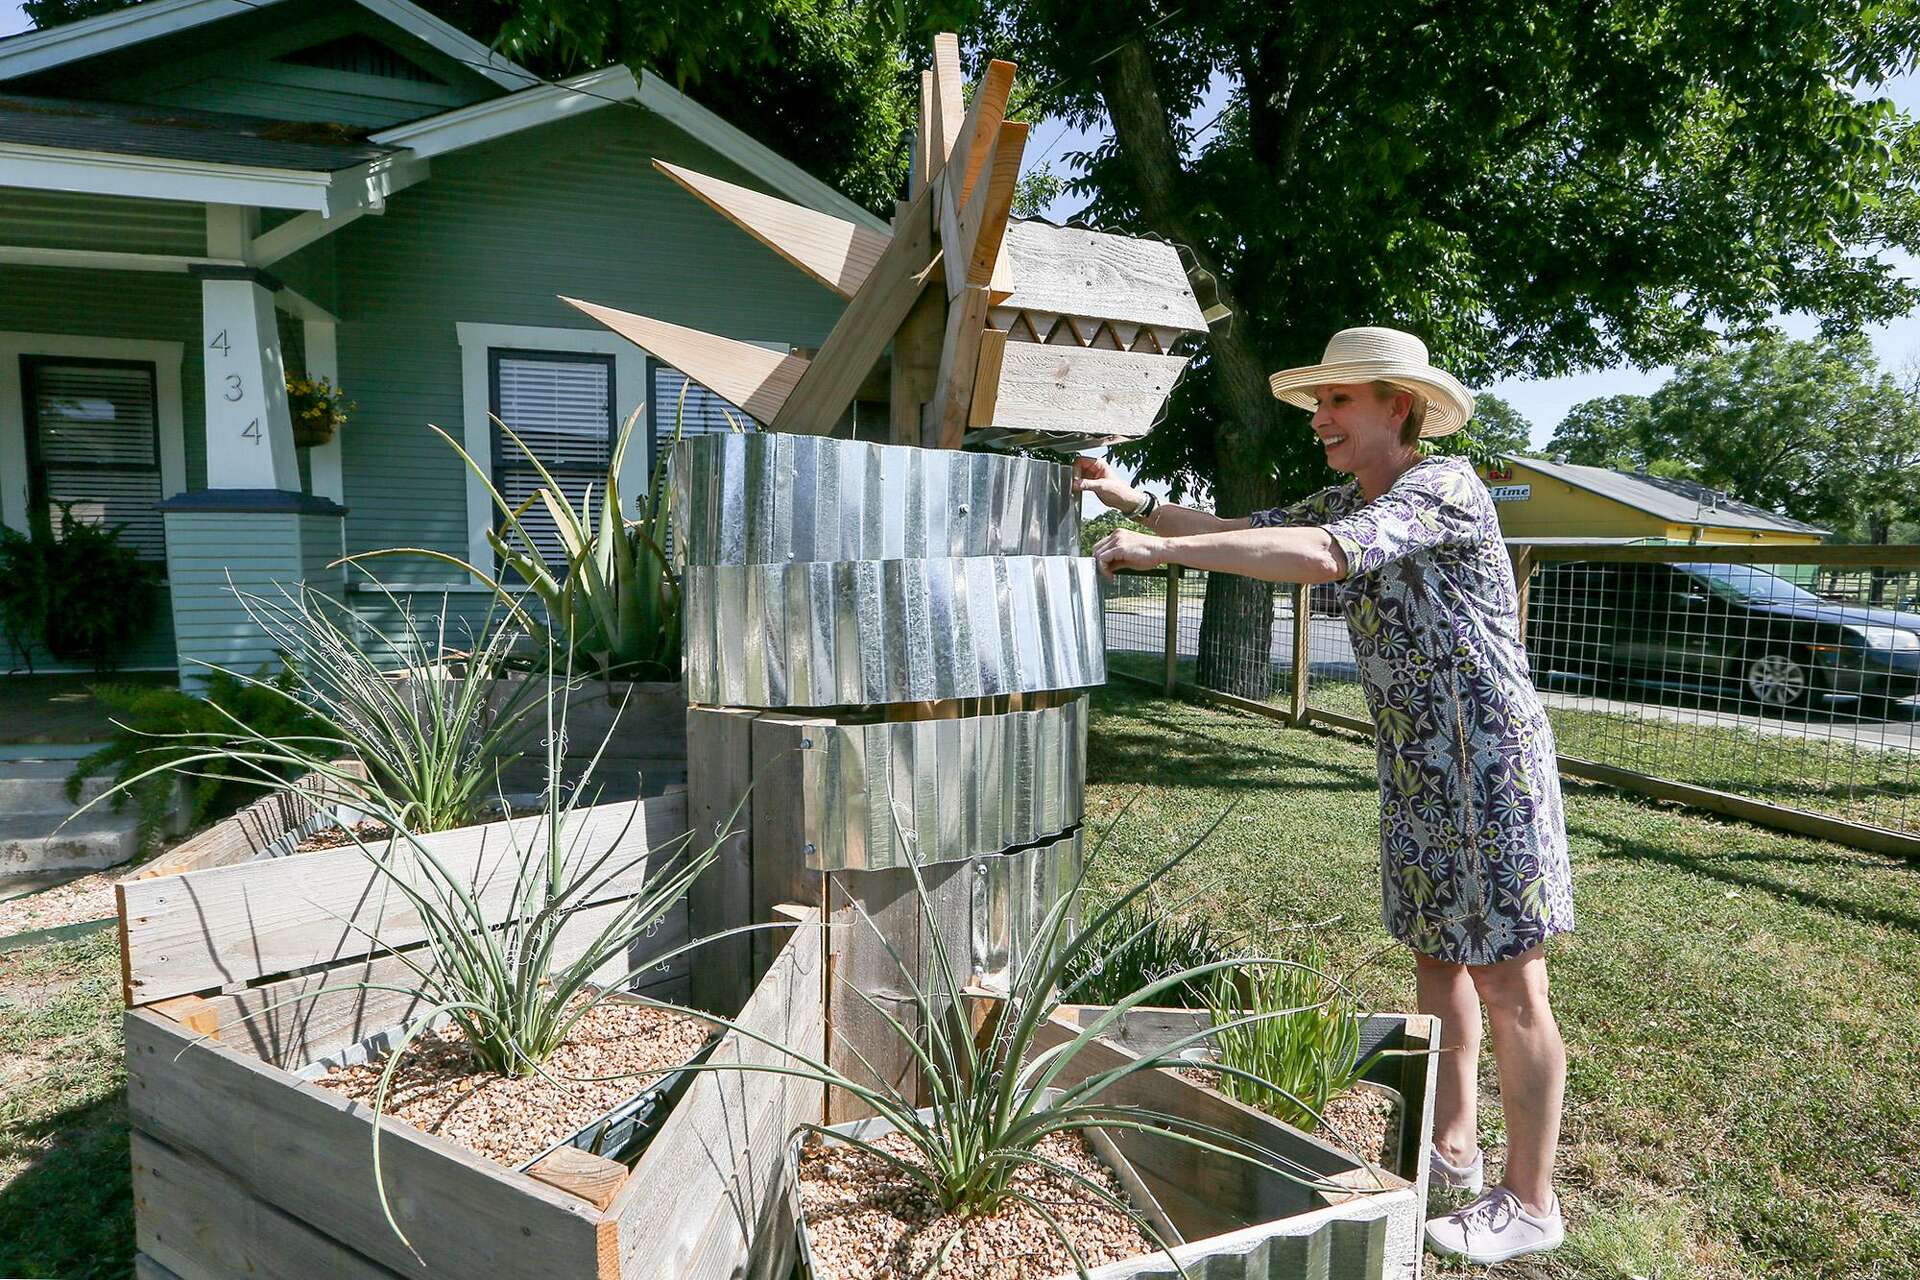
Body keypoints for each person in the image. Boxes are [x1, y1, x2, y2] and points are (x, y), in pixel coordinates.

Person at [1078, 326, 1574, 1265]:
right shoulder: (1351, 496)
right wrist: (1133, 501)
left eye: (1340, 400)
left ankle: (1532, 1200)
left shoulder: (1443, 486)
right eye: (1319, 401)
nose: (1321, 419)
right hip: (1418, 767)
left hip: (1490, 765)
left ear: (1401, 407)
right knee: (1437, 960)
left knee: (1511, 980)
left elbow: (1320, 556)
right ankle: (1453, 1150)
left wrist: (1159, 552)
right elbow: (1251, 528)